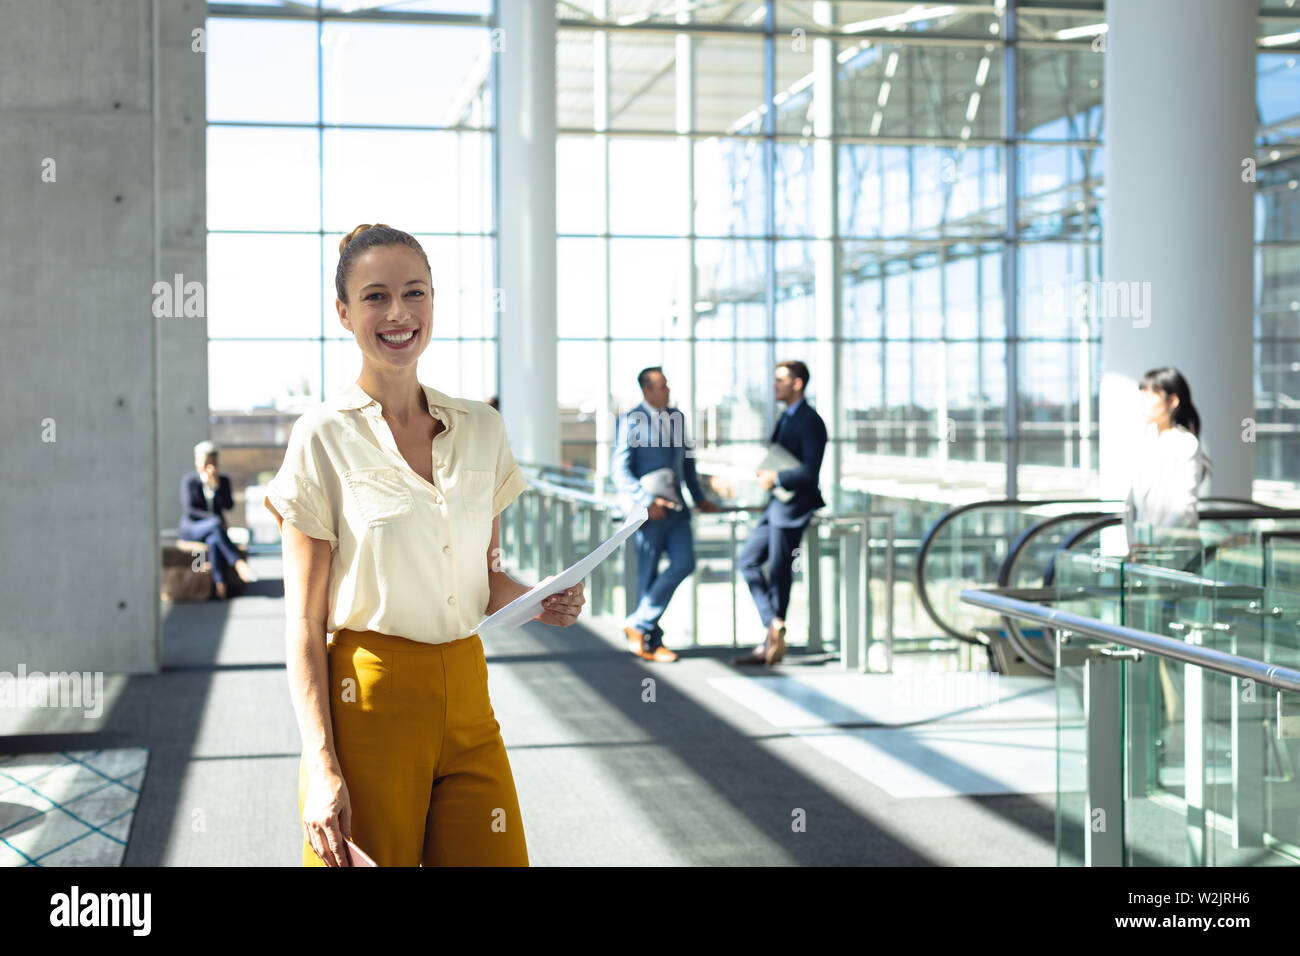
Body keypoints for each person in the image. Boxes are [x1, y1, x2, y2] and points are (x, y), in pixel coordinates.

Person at [264, 223, 586, 867]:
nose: (398, 313)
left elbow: (487, 577)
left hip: (468, 695)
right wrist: (321, 761)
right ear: (343, 312)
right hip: (369, 701)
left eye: (414, 292)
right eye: (376, 297)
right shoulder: (321, 436)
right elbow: (303, 620)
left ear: (433, 301)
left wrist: (540, 598)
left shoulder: (482, 428)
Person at [612, 367, 720, 662]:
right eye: (662, 387)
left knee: (685, 563)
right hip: (649, 513)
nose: (667, 390)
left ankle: (638, 623)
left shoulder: (677, 418)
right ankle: (652, 641)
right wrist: (646, 501)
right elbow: (619, 470)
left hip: (677, 508)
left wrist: (700, 497)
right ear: (646, 390)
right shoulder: (631, 420)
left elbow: (687, 464)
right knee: (647, 575)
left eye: (667, 385)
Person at [734, 361, 827, 667]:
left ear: (797, 383)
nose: (774, 385)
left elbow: (810, 472)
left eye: (780, 380)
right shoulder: (786, 418)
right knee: (747, 560)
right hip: (775, 507)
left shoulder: (810, 421)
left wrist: (776, 478)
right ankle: (773, 624)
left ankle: (770, 641)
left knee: (779, 575)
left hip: (793, 508)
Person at [1123, 366, 1210, 555]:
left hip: (1175, 556)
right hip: (1144, 553)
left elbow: (1184, 508)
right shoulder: (1146, 442)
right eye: (1141, 395)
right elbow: (1132, 507)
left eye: (1149, 396)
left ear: (1172, 401)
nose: (1143, 403)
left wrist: (1153, 543)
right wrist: (1135, 545)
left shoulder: (1186, 443)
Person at [179, 441, 256, 600]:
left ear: (215, 463)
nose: (204, 466)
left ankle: (220, 585)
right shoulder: (189, 481)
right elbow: (190, 510)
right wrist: (213, 519)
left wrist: (216, 486)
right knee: (215, 525)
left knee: (214, 541)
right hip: (192, 528)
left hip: (215, 530)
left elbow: (229, 505)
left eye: (208, 462)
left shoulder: (223, 481)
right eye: (201, 461)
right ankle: (238, 563)